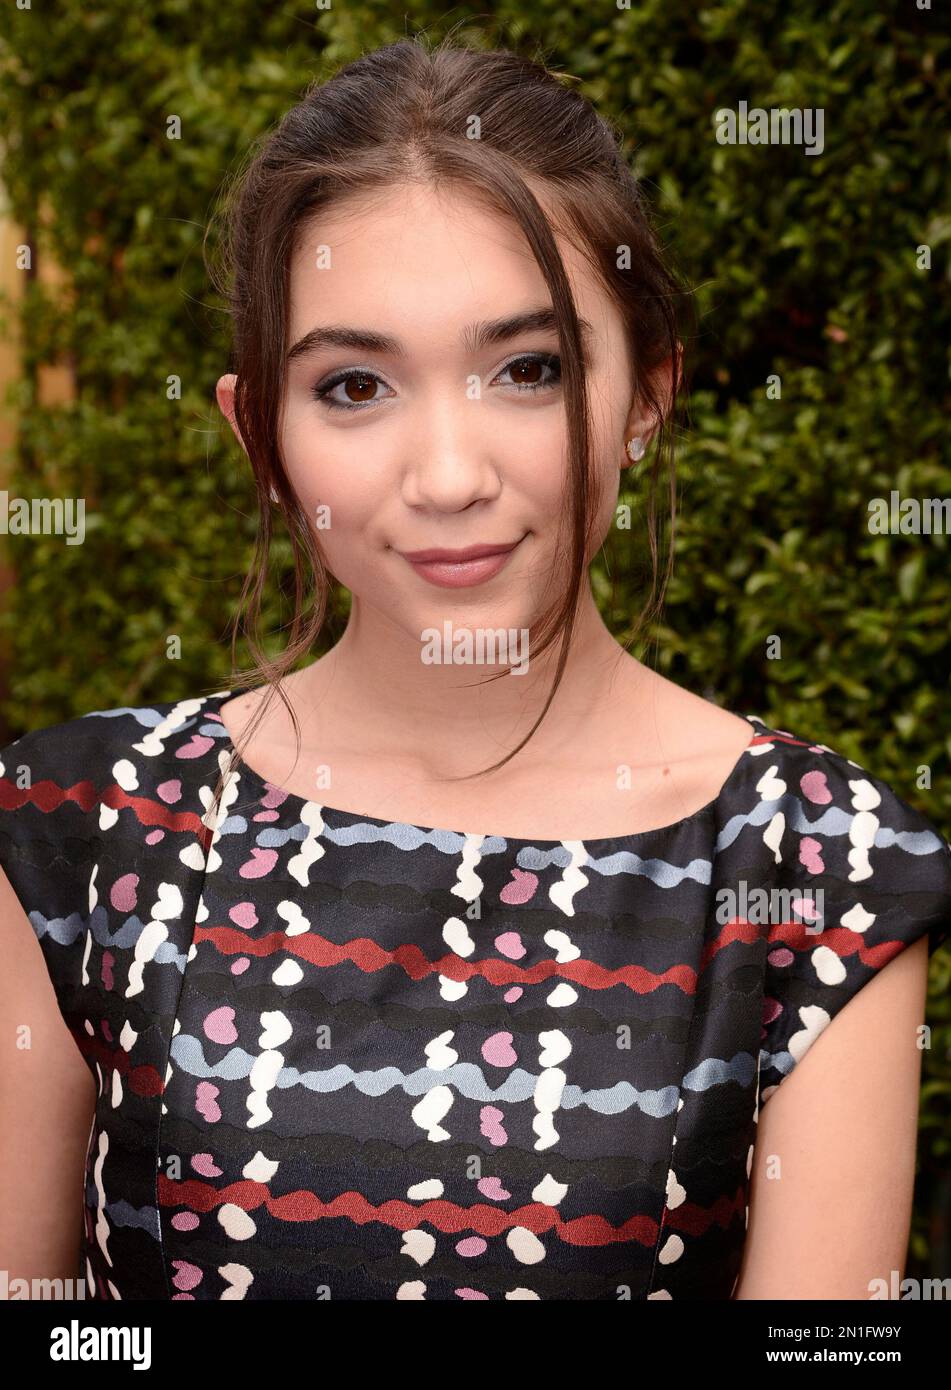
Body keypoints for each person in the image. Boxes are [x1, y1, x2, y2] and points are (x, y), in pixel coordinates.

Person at [1, 36, 949, 1303]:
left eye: (529, 369)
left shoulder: (816, 866)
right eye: (352, 385)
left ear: (647, 397)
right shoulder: (77, 827)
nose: (449, 475)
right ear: (258, 434)